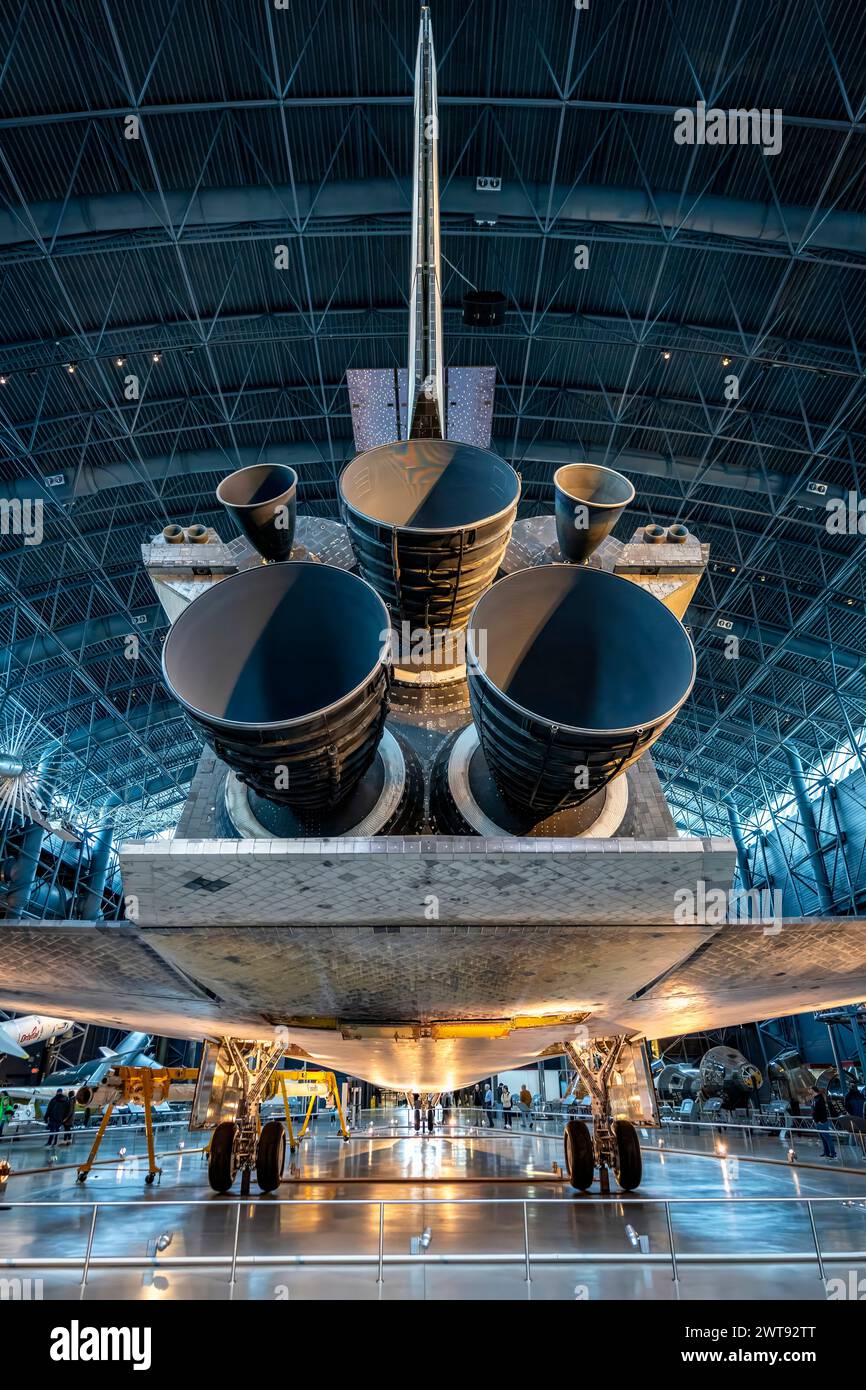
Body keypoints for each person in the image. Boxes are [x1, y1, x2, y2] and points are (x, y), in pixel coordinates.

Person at [812, 1087, 837, 1159]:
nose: (808, 1090)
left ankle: (833, 1153)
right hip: (818, 1121)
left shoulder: (819, 1099)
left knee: (827, 1137)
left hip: (822, 1122)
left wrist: (821, 1121)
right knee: (823, 1138)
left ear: (813, 1090)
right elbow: (814, 1111)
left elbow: (822, 1111)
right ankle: (826, 1152)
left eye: (810, 1089)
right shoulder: (814, 1099)